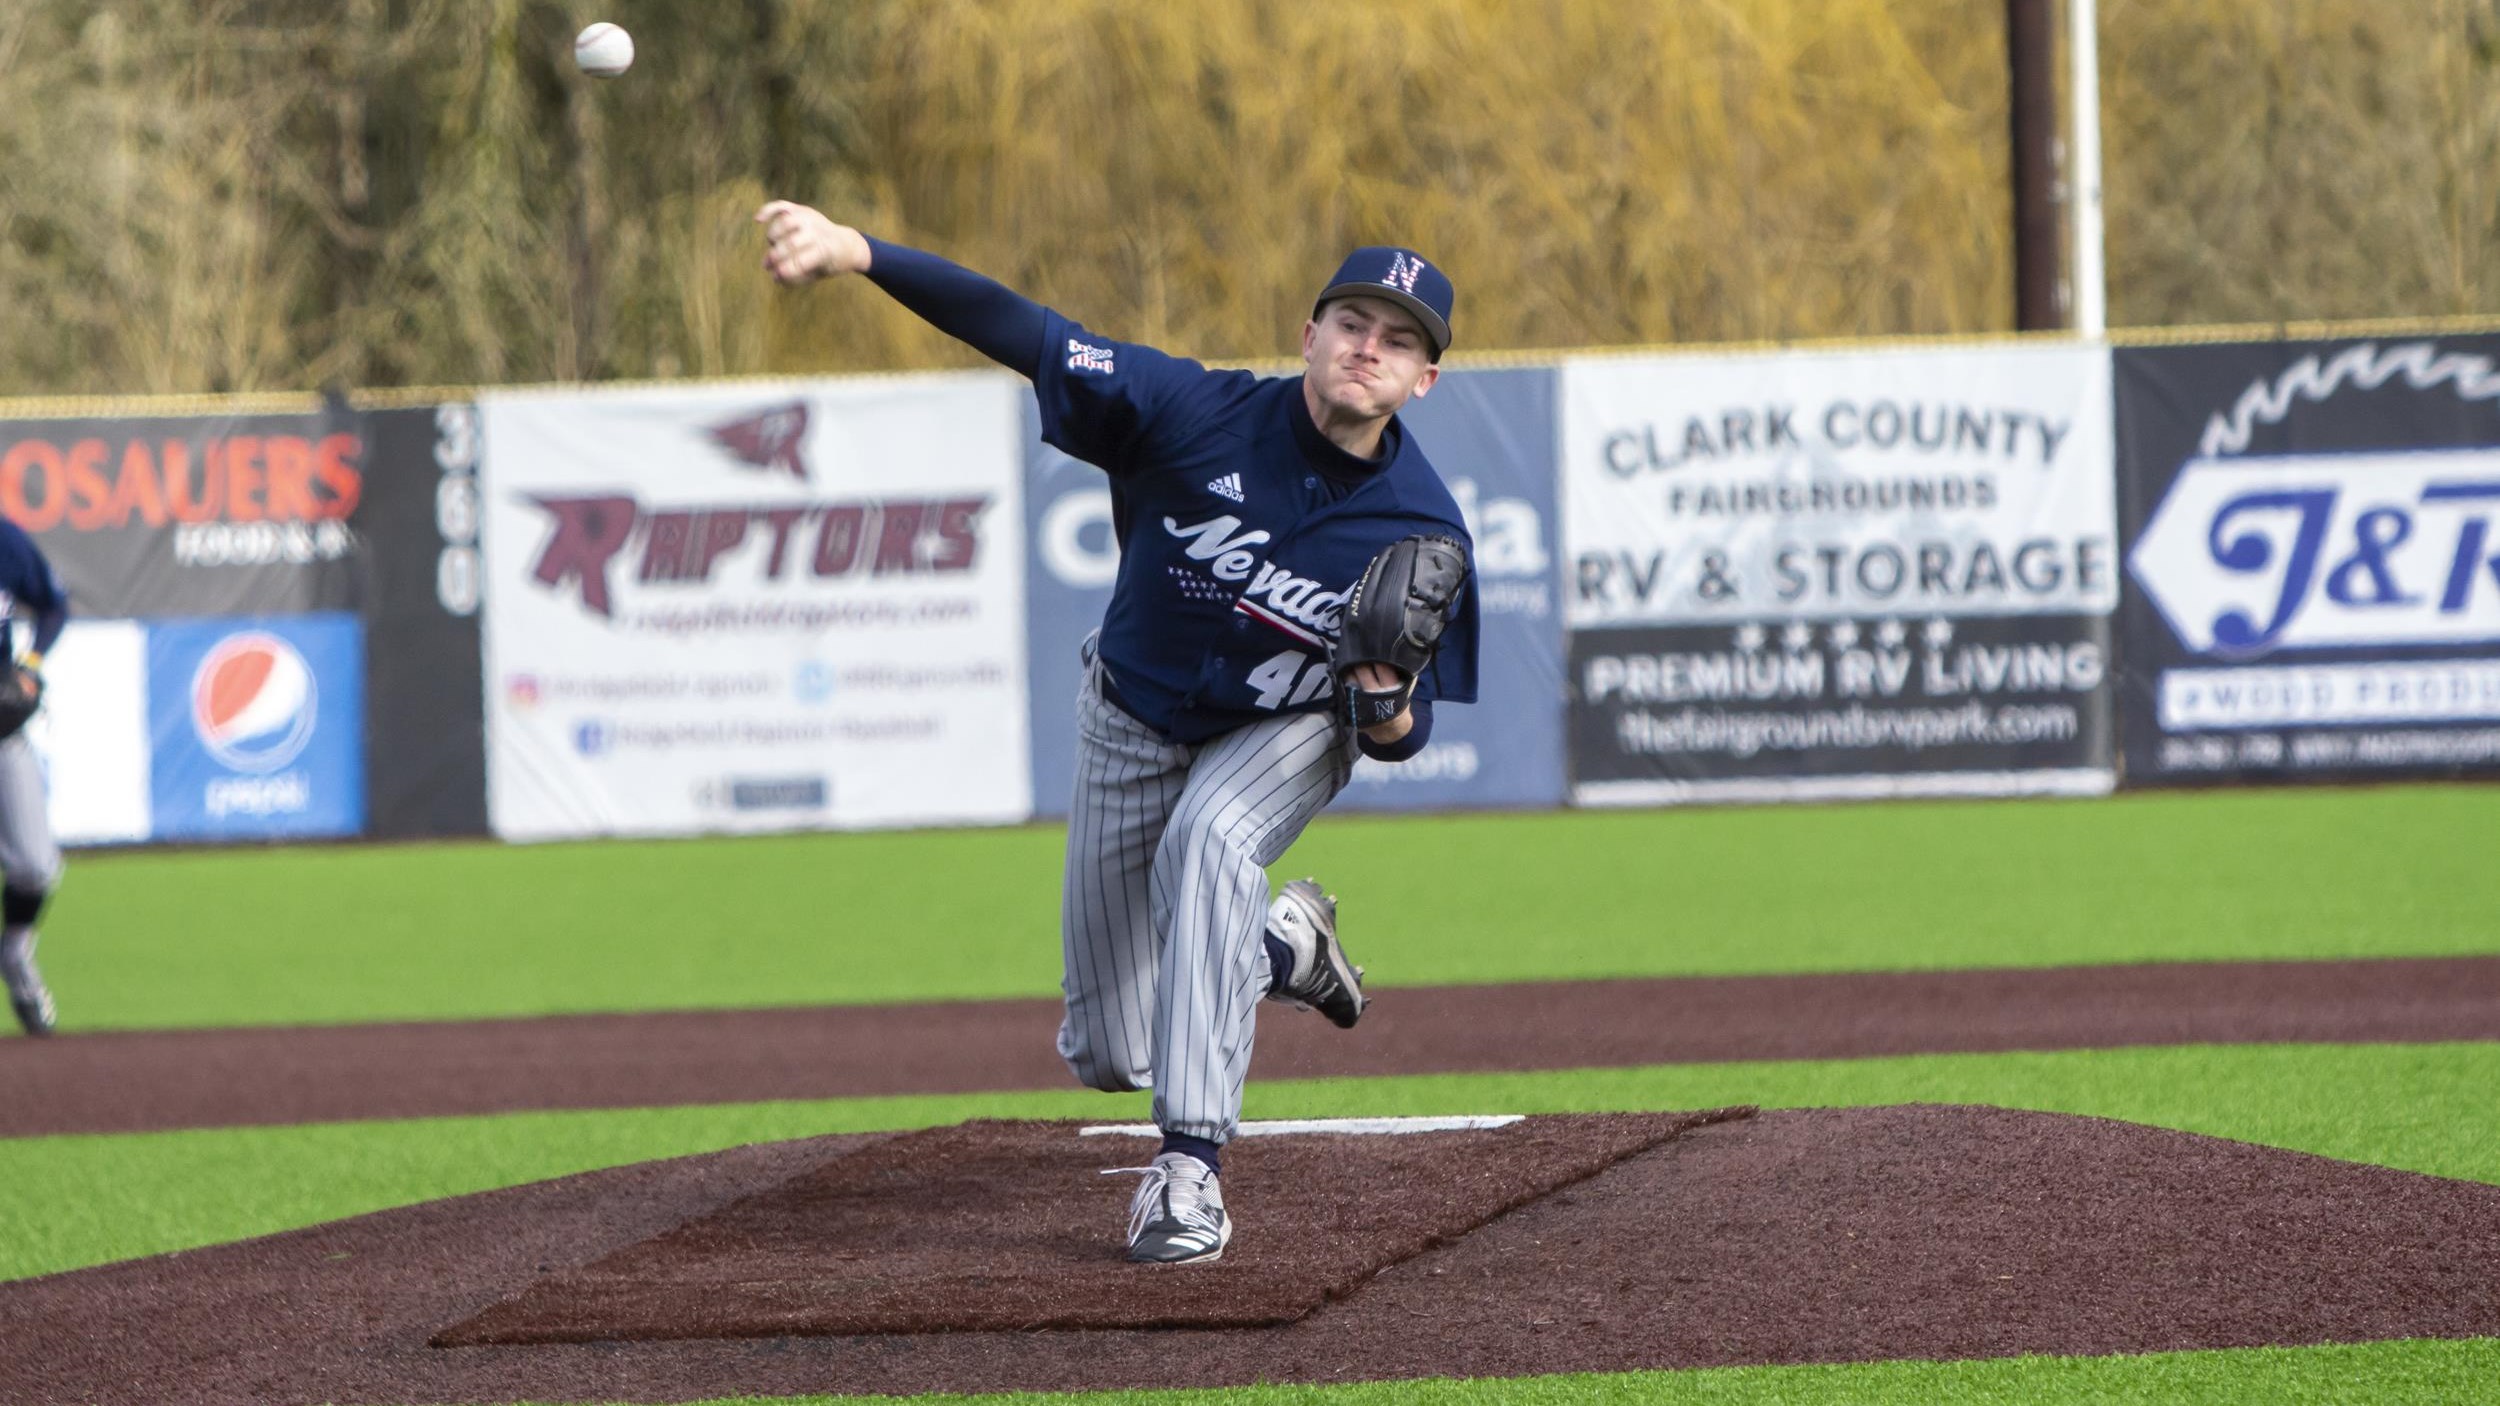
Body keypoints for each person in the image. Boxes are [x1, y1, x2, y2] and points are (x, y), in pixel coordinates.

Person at [757, 201, 1480, 1264]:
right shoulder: (1188, 409)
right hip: (1132, 719)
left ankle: (1189, 1173)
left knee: (1210, 842)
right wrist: (859, 253)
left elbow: (1402, 736)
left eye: (1401, 340)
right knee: (1110, 1048)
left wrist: (1381, 702)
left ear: (1424, 379)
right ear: (1309, 335)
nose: (1370, 347)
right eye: (1353, 322)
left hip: (1286, 728)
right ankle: (1280, 947)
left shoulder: (1423, 526)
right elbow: (1024, 330)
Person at [0, 517, 66, 1036]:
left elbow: (52, 605)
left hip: (1, 730)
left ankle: (16, 954)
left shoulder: (5, 540)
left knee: (36, 866)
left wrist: (30, 664)